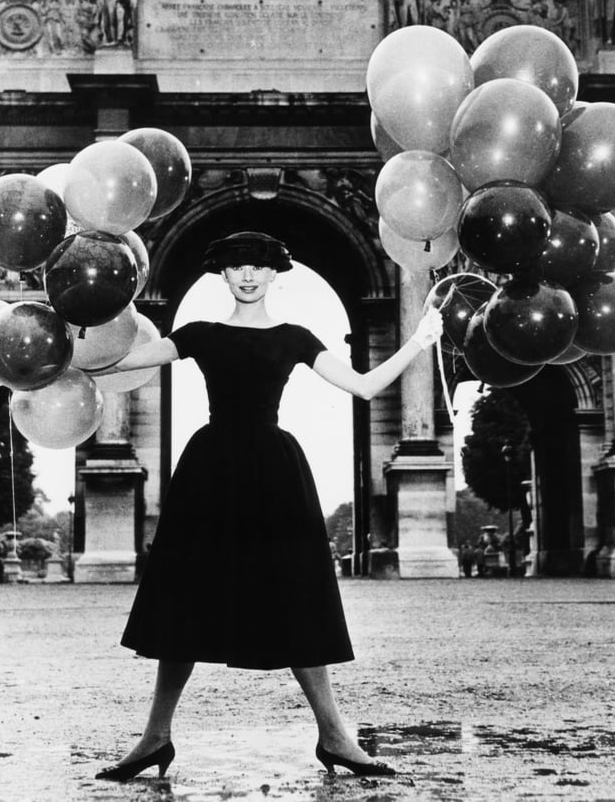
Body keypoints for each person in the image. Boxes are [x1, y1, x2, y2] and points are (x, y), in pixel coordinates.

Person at [94, 231, 443, 782]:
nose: (249, 274)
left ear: (276, 274)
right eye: (237, 266)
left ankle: (335, 735)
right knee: (186, 602)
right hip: (211, 473)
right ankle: (154, 739)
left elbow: (366, 386)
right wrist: (68, 337)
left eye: (258, 265)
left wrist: (420, 340)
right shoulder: (198, 334)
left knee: (295, 599)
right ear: (223, 275)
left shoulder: (294, 337)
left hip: (271, 473)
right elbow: (115, 363)